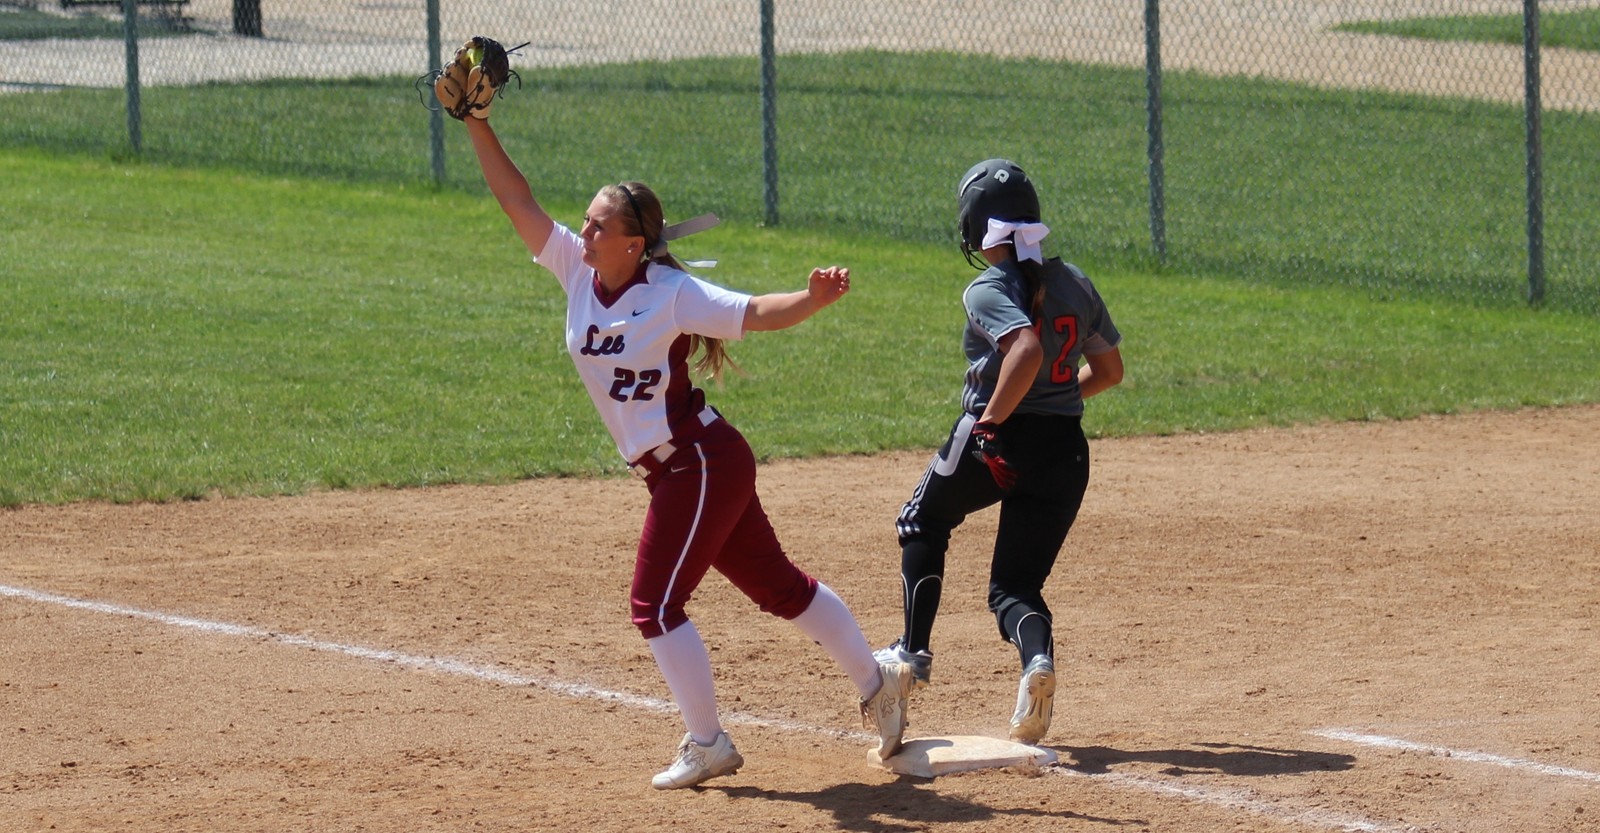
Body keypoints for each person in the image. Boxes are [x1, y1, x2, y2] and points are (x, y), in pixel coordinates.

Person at [454, 113, 913, 789]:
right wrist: (477, 123)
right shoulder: (577, 272)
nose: (583, 232)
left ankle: (709, 743)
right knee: (777, 586)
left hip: (697, 463)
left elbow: (755, 311)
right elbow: (516, 198)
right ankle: (882, 680)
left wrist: (812, 299)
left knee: (656, 604)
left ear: (635, 243)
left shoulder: (672, 294)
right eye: (584, 221)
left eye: (598, 225)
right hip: (690, 467)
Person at [875, 158, 1124, 746]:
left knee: (923, 520)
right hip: (1064, 452)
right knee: (1015, 587)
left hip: (999, 441)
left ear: (972, 226)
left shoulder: (987, 287)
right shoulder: (1077, 282)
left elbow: (1026, 350)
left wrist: (990, 422)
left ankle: (911, 654)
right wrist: (1060, 398)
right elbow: (1110, 370)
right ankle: (1036, 663)